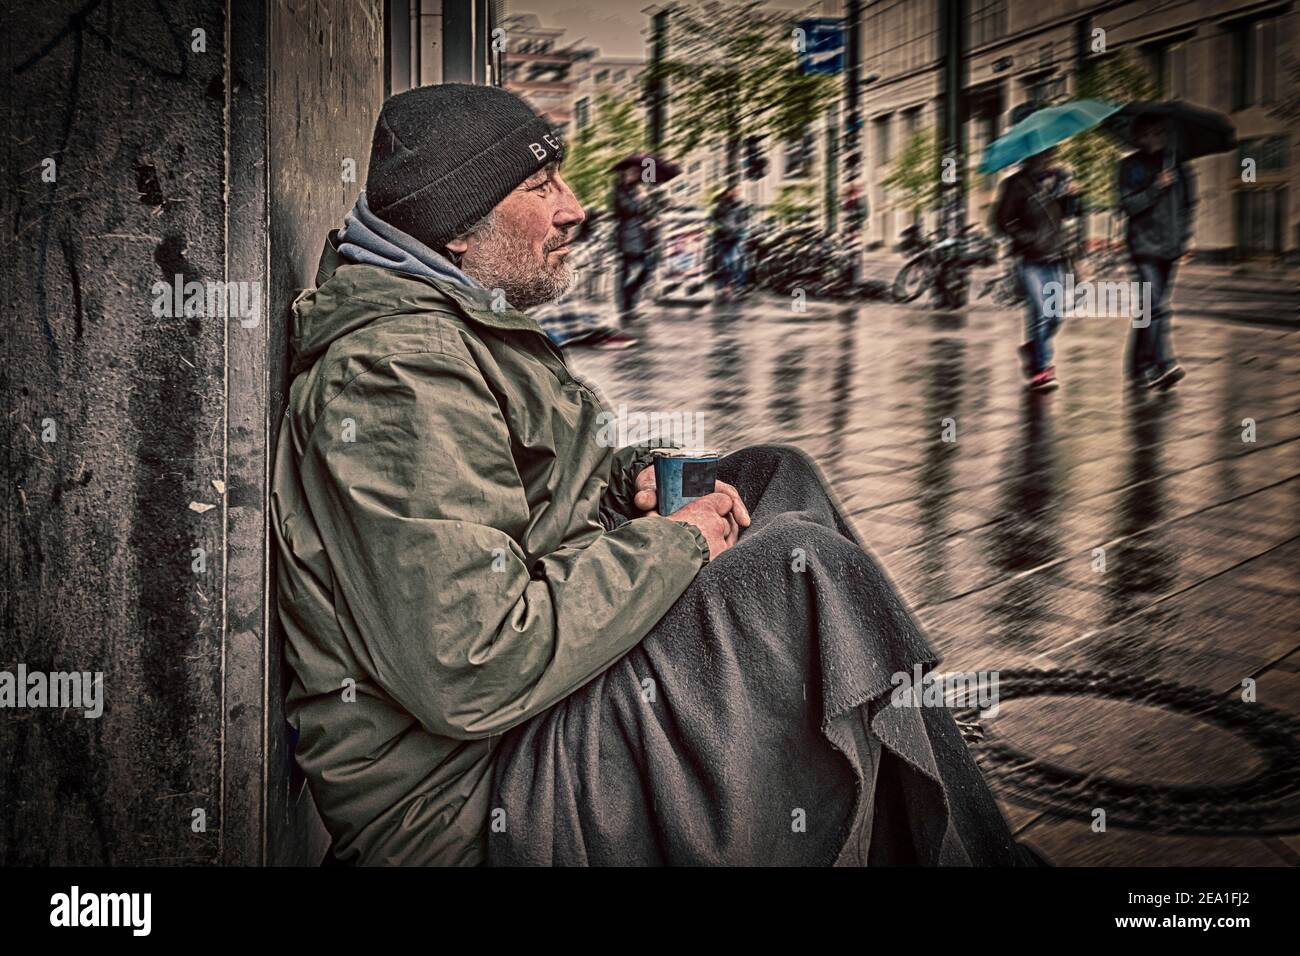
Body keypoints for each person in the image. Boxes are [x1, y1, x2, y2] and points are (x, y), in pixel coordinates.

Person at [271, 83, 1041, 867]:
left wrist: (631, 481)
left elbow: (532, 486)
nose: (574, 210)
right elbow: (474, 667)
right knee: (803, 572)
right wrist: (675, 546)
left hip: (537, 724)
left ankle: (921, 820)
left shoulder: (459, 321)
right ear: (456, 231)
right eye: (541, 188)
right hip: (478, 796)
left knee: (777, 476)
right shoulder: (399, 375)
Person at [994, 146, 1081, 392]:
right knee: (1043, 311)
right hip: (1029, 258)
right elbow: (1001, 222)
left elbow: (1066, 215)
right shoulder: (1015, 184)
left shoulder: (1061, 178)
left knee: (1054, 315)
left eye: (1051, 154)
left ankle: (1033, 349)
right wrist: (1027, 239)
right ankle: (1043, 369)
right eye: (1044, 154)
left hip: (1056, 256)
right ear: (1032, 155)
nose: (1048, 158)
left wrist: (1071, 197)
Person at [1117, 113, 1193, 390]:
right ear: (1137, 137)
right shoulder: (1130, 166)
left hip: (1169, 248)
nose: (1153, 138)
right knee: (1157, 307)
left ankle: (1136, 365)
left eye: (1157, 132)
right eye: (1146, 133)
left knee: (1148, 310)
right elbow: (1128, 205)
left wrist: (1183, 240)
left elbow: (1188, 206)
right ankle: (1161, 364)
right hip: (1143, 248)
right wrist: (1155, 187)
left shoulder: (1179, 166)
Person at [612, 163, 654, 319]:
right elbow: (625, 209)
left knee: (646, 269)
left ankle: (629, 303)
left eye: (637, 172)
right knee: (626, 271)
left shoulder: (634, 190)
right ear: (625, 174)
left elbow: (641, 213)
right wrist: (639, 199)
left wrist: (649, 221)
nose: (636, 174)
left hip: (639, 236)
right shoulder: (619, 191)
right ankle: (626, 307)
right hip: (627, 236)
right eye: (632, 172)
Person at [709, 184, 748, 300]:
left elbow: (745, 220)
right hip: (721, 237)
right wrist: (722, 228)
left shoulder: (741, 204)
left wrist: (741, 230)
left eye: (739, 190)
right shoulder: (719, 205)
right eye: (735, 190)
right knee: (724, 263)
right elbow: (712, 219)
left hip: (736, 237)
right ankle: (723, 286)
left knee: (736, 261)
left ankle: (738, 285)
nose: (737, 193)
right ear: (728, 192)